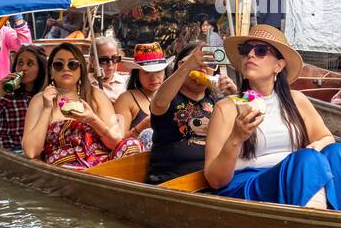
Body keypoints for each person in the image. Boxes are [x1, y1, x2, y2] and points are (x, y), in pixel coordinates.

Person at [204, 25, 341, 212]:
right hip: (247, 186)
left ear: (279, 65)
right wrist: (236, 138)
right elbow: (215, 180)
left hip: (296, 176)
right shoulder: (227, 107)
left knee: (338, 151)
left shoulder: (296, 100)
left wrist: (316, 150)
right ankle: (316, 221)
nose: (251, 55)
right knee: (306, 159)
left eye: (261, 50)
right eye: (246, 50)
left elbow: (326, 138)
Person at [22, 42, 143, 169]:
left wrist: (92, 120)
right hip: (65, 168)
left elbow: (116, 142)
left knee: (132, 145)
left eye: (72, 64)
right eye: (59, 65)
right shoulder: (40, 100)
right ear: (51, 71)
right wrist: (47, 108)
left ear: (81, 69)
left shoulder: (96, 95)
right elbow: (30, 152)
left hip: (101, 166)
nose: (66, 68)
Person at [147, 41, 236, 184]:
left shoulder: (217, 101)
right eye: (196, 61)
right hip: (171, 182)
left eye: (210, 63)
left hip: (212, 182)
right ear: (180, 66)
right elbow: (158, 103)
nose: (202, 67)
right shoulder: (169, 96)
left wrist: (235, 96)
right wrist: (189, 65)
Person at [0, 44, 47, 152]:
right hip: (6, 150)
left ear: (40, 69)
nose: (23, 68)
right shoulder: (7, 94)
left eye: (30, 64)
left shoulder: (46, 96)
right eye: (20, 63)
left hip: (33, 151)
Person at [114, 42, 168, 138]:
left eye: (158, 71)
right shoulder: (126, 99)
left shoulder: (174, 95)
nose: (154, 78)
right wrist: (139, 128)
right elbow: (116, 140)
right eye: (147, 72)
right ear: (137, 74)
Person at [94, 33, 130, 101]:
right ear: (92, 61)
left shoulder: (127, 81)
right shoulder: (84, 83)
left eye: (115, 58)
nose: (110, 64)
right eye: (104, 60)